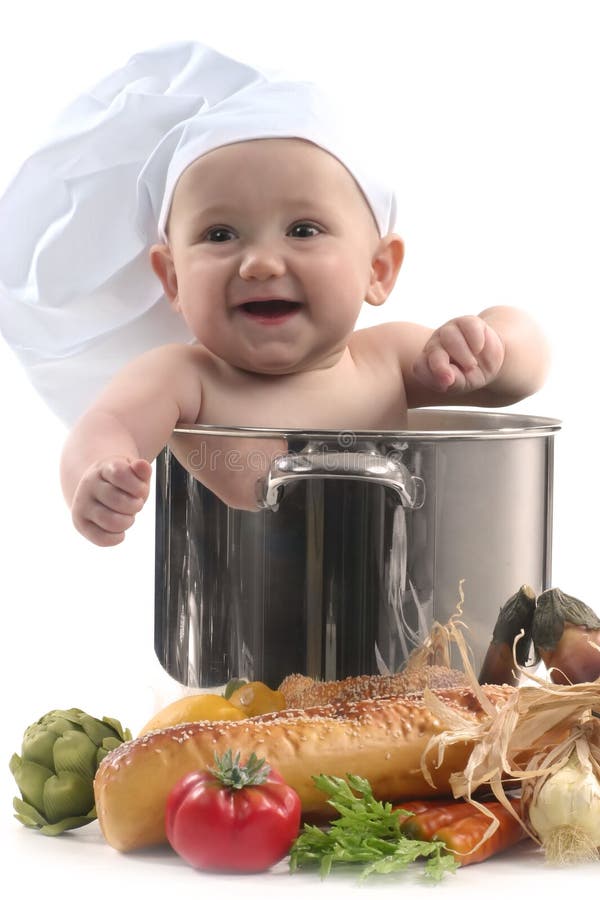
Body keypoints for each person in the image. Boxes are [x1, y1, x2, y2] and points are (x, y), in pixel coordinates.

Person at [0, 44, 549, 547]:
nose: (260, 262)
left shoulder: (388, 359)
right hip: (238, 630)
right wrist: (97, 477)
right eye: (220, 235)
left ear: (378, 269)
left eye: (303, 230)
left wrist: (492, 342)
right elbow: (107, 427)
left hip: (397, 618)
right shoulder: (185, 379)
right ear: (172, 279)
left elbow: (523, 376)